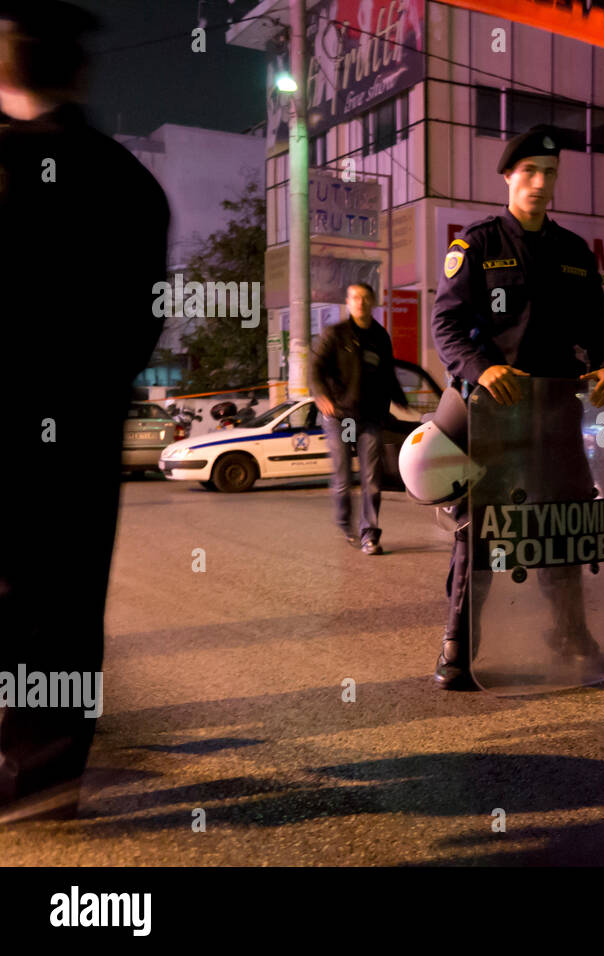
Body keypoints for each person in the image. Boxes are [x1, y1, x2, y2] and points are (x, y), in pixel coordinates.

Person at [0, 2, 171, 822]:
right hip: (77, 438)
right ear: (80, 71)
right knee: (62, 604)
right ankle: (43, 775)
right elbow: (141, 321)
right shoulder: (126, 180)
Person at [430, 124, 604, 690]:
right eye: (530, 173)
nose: (540, 183)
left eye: (550, 174)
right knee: (484, 528)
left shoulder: (573, 253)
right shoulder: (478, 244)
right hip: (495, 409)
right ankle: (461, 646)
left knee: (562, 523)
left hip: (557, 407)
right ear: (509, 178)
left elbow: (600, 327)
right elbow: (445, 324)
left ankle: (570, 632)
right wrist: (480, 368)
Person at [310, 282, 409, 555]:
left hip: (370, 418)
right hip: (341, 416)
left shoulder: (380, 336)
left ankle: (370, 535)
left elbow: (388, 374)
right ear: (348, 302)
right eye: (355, 297)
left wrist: (401, 400)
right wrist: (322, 396)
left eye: (365, 298)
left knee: (372, 478)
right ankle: (344, 522)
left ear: (373, 301)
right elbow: (315, 368)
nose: (361, 302)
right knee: (343, 477)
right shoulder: (336, 334)